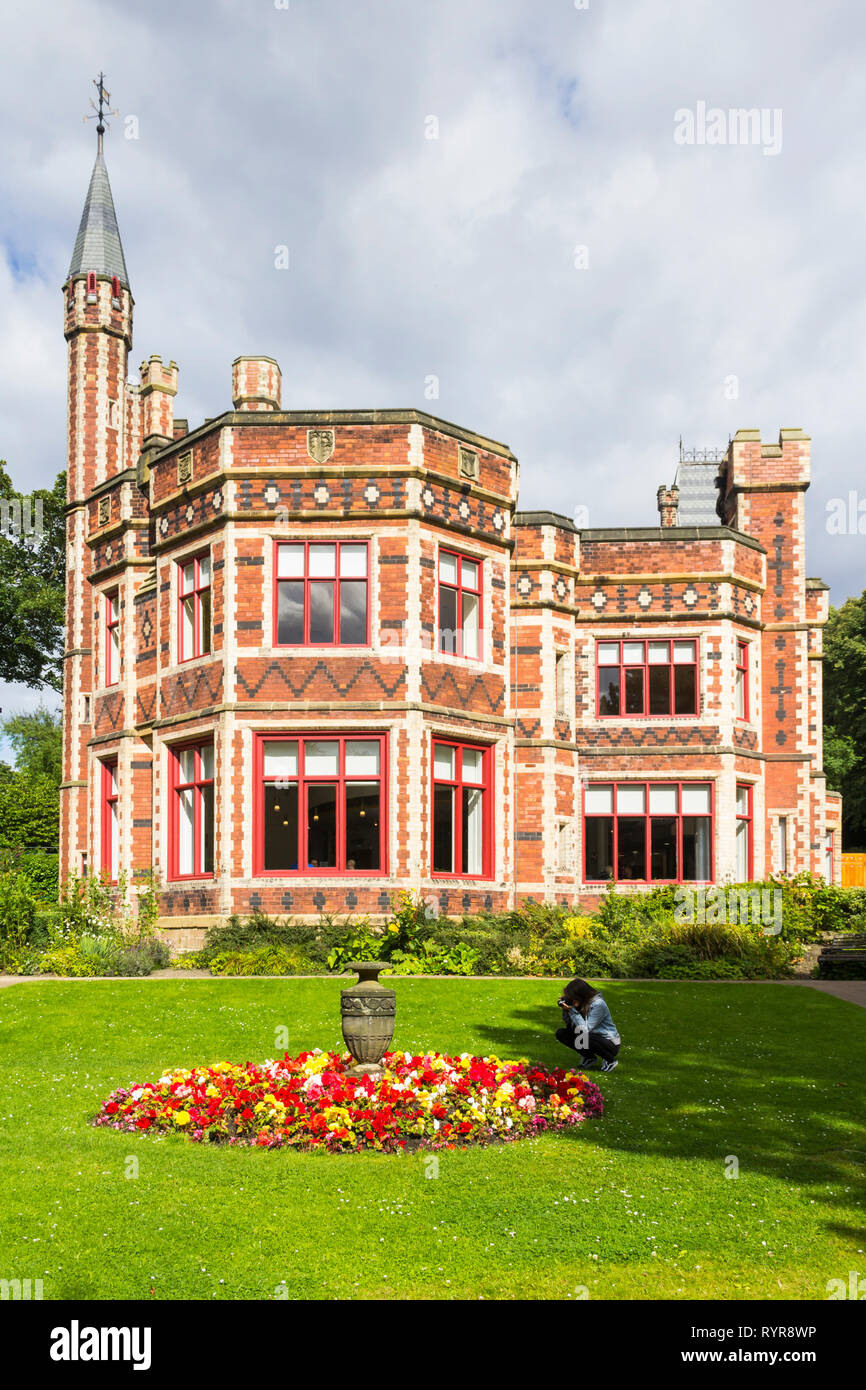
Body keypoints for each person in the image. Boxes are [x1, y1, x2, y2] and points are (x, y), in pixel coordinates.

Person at [555, 977, 621, 1073]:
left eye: (572, 997)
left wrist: (572, 1011)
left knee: (584, 1035)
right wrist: (565, 1010)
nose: (571, 999)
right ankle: (589, 1057)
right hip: (593, 1037)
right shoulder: (581, 1003)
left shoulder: (598, 1004)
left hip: (610, 1043)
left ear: (580, 995)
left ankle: (610, 1060)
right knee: (561, 1033)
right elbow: (569, 1024)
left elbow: (585, 1029)